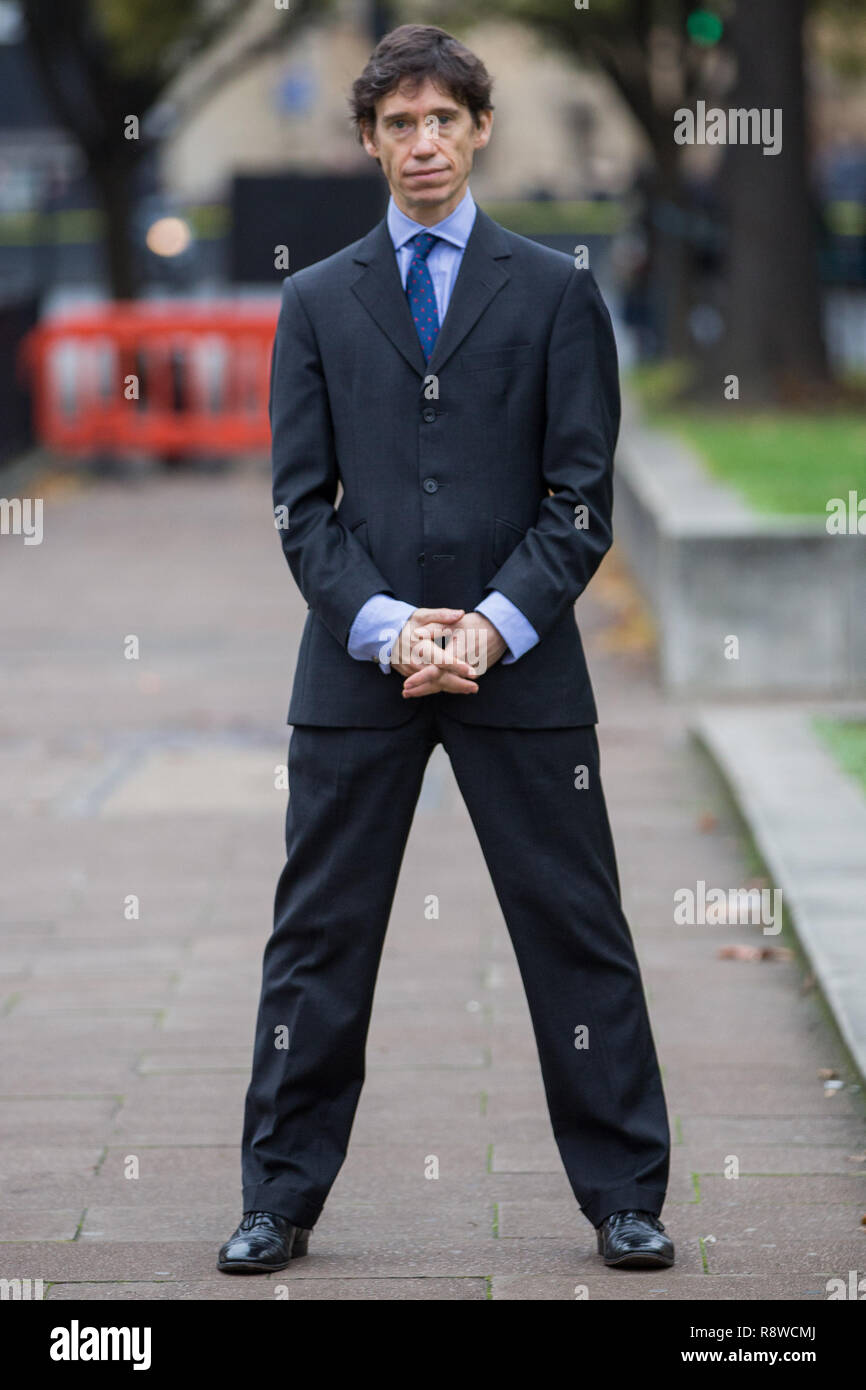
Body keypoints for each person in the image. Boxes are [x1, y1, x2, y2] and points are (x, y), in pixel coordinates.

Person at [218, 23, 673, 1276]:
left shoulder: (556, 292)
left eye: (442, 120)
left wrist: (485, 626)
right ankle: (278, 1197)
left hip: (518, 668)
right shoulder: (313, 303)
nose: (422, 142)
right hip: (355, 670)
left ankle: (624, 1194)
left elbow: (578, 499)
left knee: (577, 929)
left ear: (477, 131)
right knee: (317, 940)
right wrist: (387, 627)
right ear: (368, 141)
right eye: (398, 123)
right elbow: (298, 507)